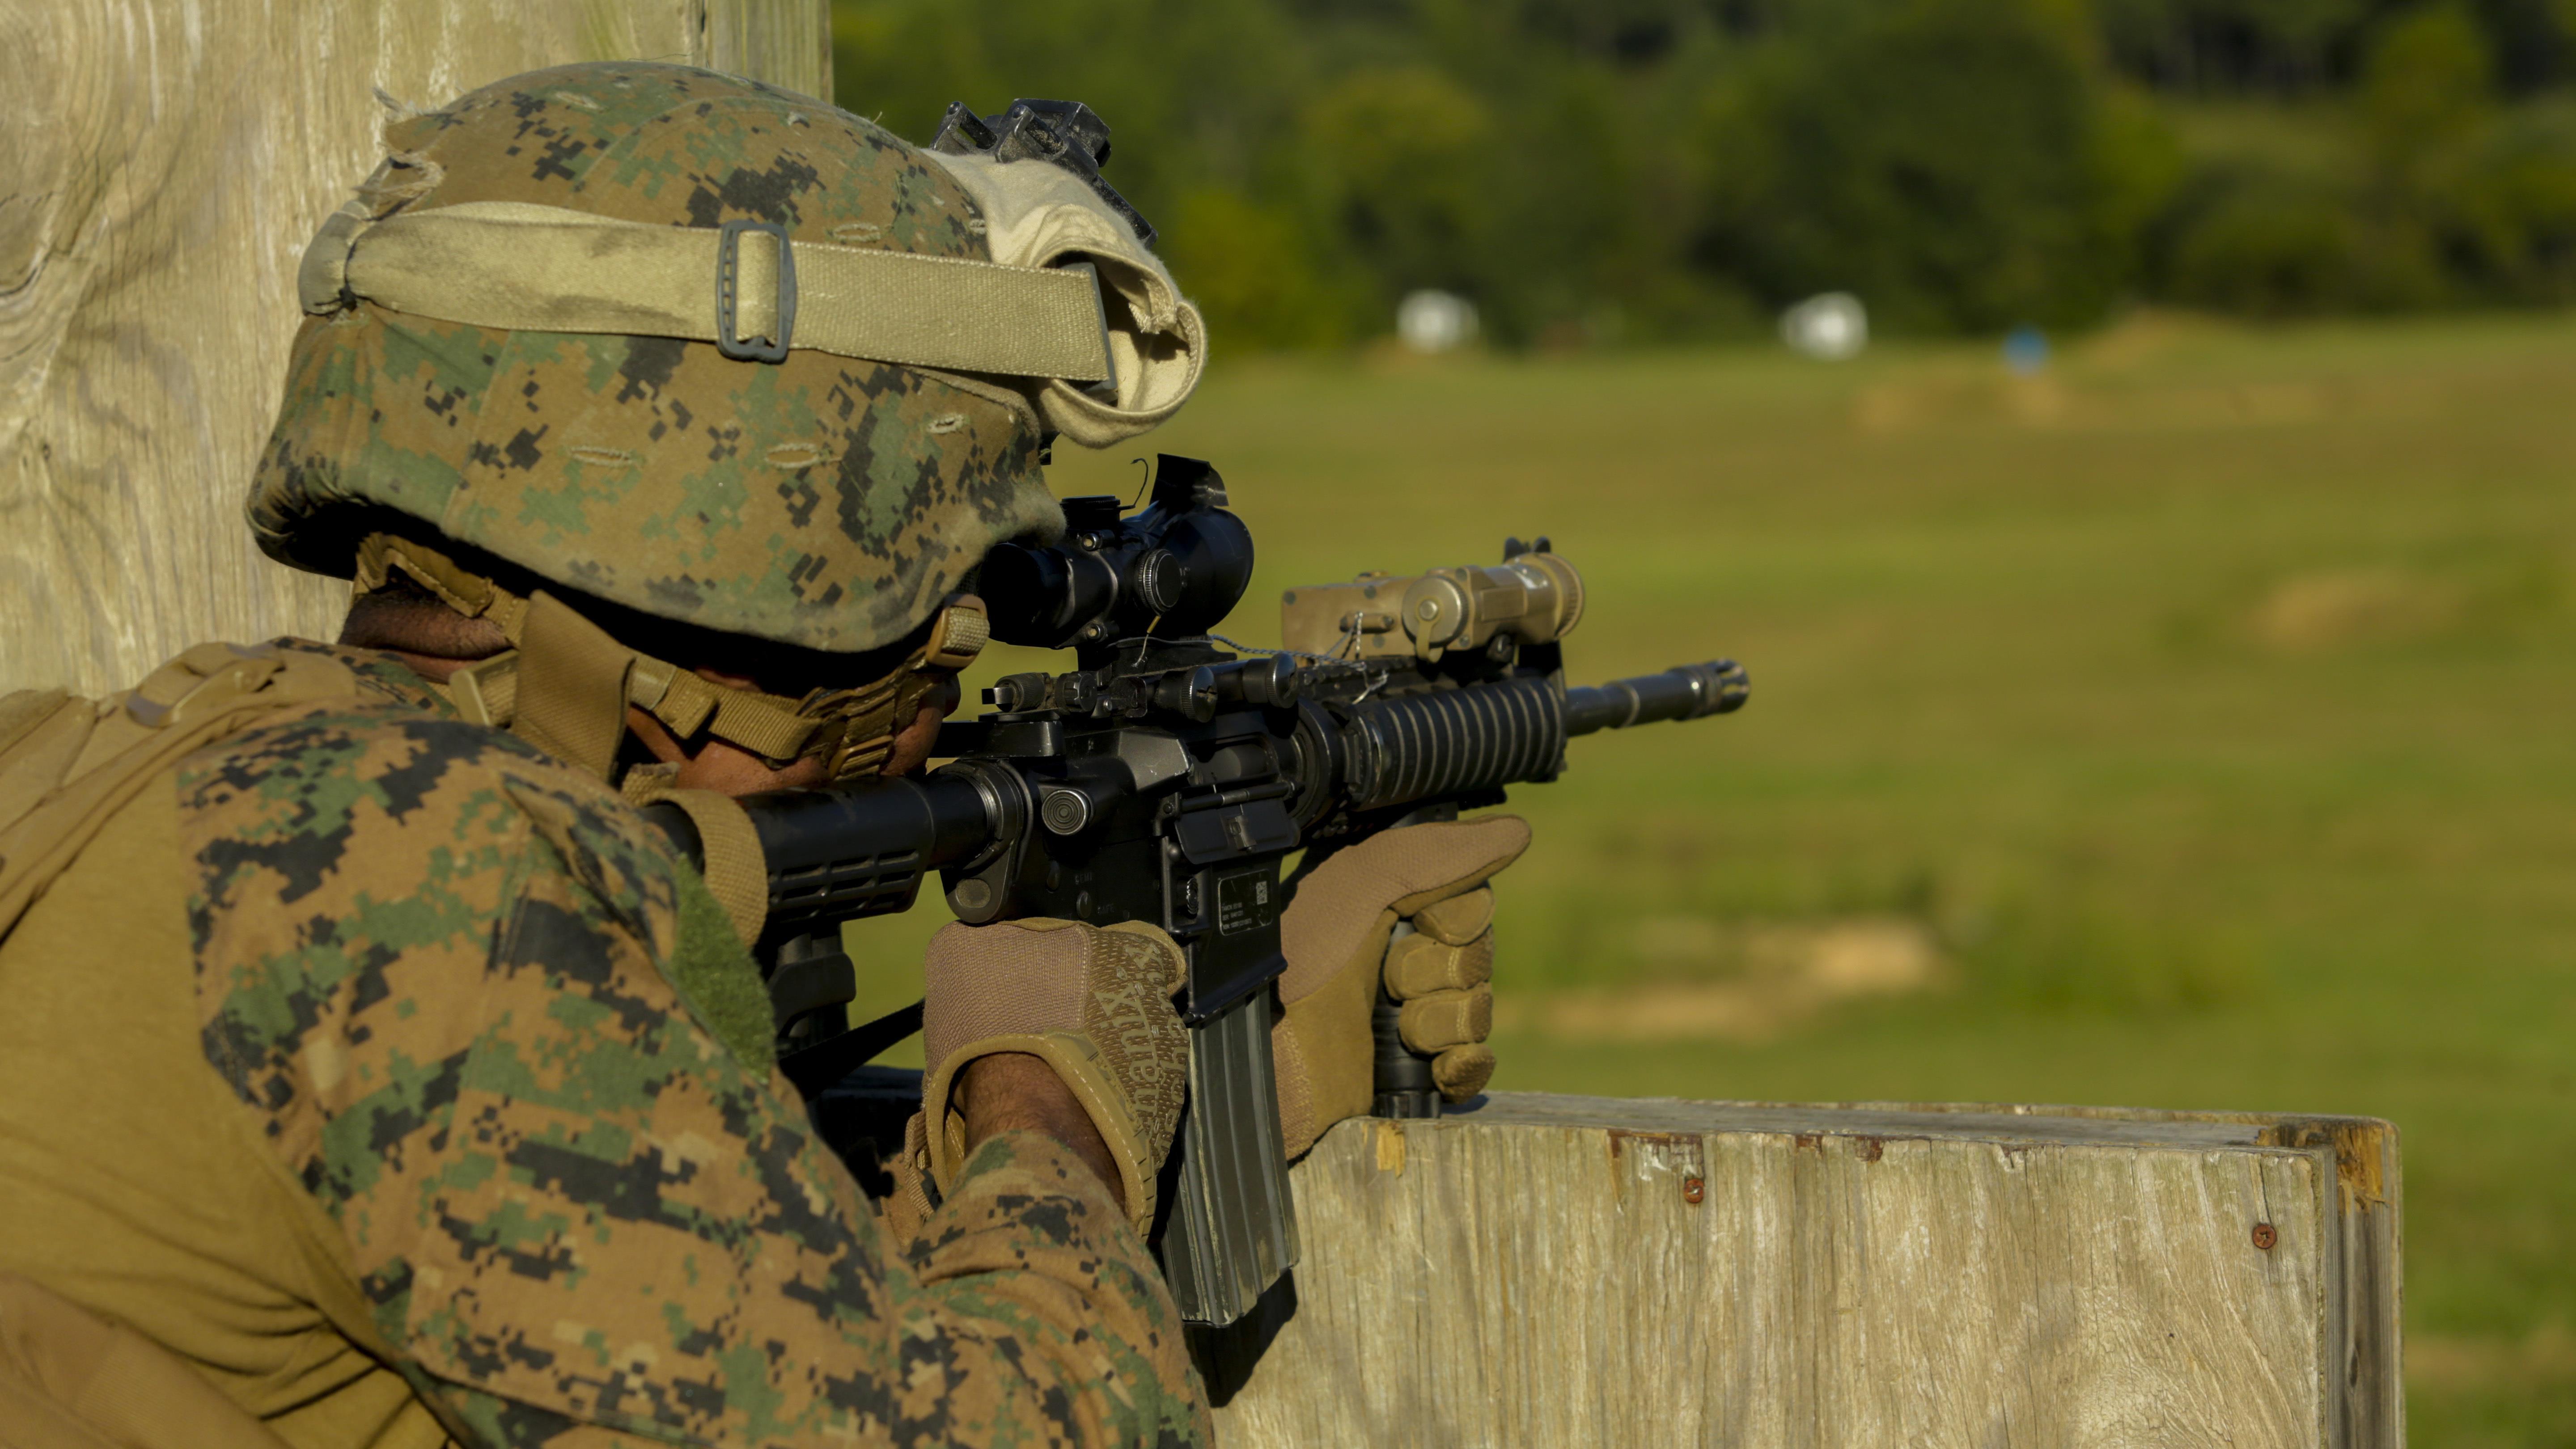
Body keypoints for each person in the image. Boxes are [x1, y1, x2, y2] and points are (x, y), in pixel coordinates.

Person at [0, 60, 1521, 1449]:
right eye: (946, 637)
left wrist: (1269, 1043)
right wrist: (1053, 1111)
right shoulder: (433, 881)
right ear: (752, 608)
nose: (938, 711)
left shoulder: (137, 765)